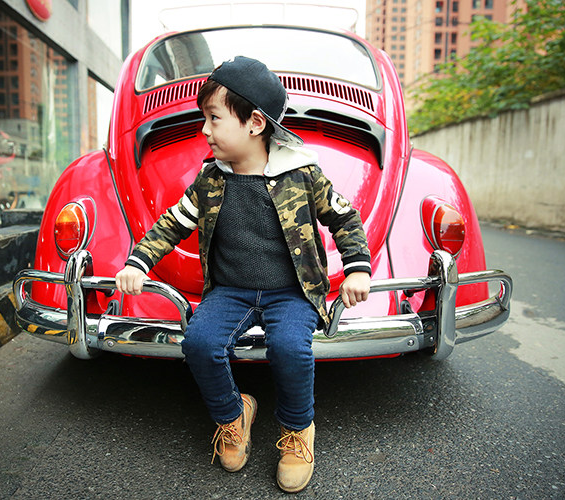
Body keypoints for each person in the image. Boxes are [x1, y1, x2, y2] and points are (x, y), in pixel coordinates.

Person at [115, 56, 372, 493]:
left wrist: (357, 268)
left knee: (291, 348)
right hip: (230, 290)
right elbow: (172, 223)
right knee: (199, 343)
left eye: (214, 118)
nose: (204, 130)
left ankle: (298, 431)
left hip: (290, 291)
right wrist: (137, 261)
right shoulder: (210, 180)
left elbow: (344, 218)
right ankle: (233, 415)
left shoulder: (302, 173)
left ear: (255, 123)